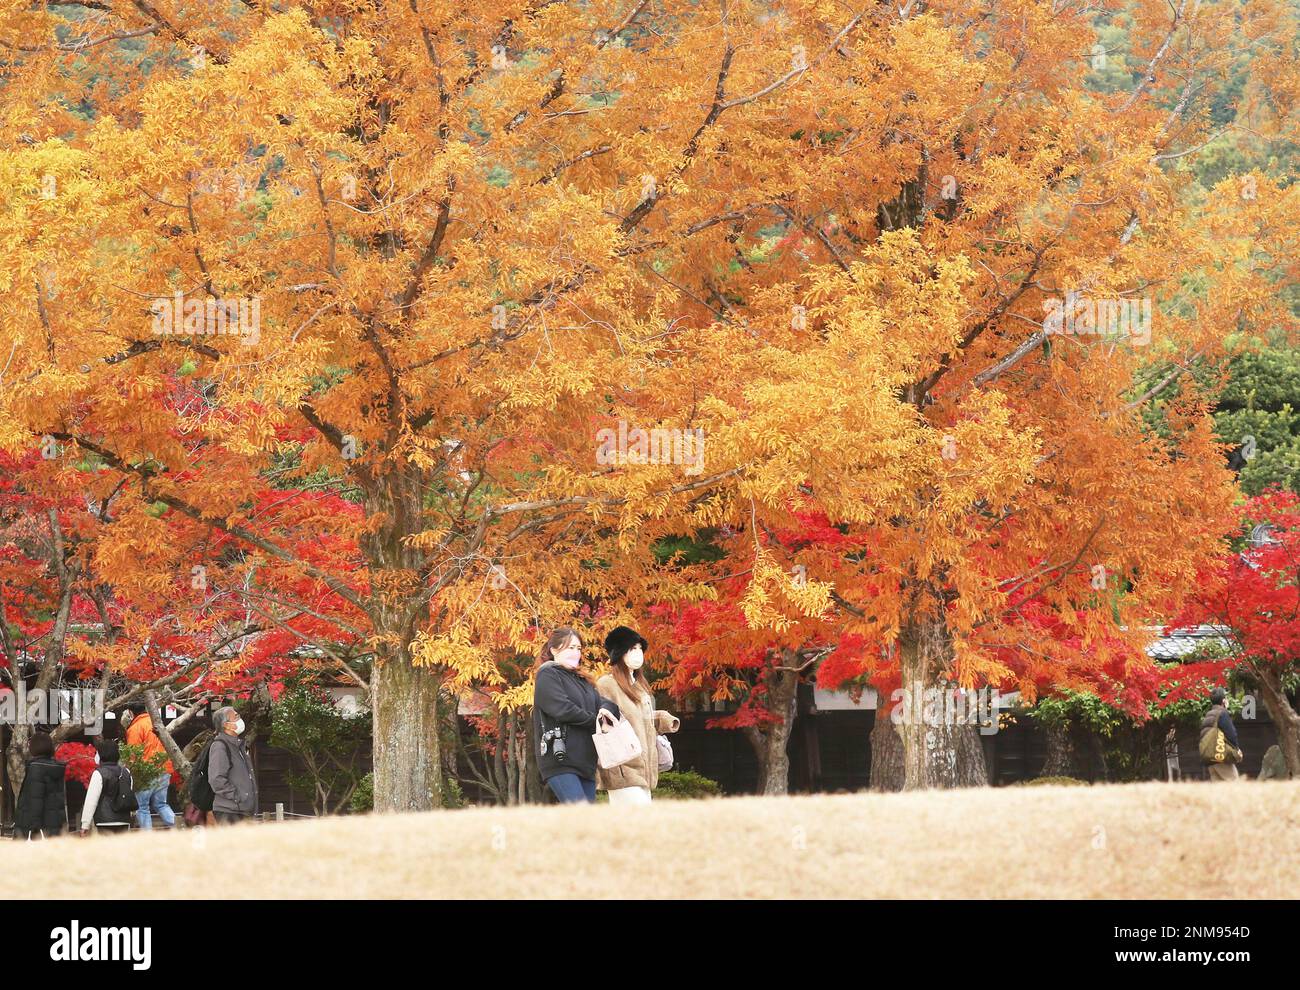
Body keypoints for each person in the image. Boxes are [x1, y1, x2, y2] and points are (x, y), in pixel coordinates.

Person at [532, 627, 620, 804]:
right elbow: (563, 709)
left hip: (586, 760)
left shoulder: (581, 680)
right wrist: (596, 721)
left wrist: (605, 711)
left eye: (578, 648)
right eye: (570, 647)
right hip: (561, 759)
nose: (575, 653)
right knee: (581, 813)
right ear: (554, 650)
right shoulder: (547, 674)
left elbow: (605, 703)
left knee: (585, 822)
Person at [595, 626, 681, 805]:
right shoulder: (606, 684)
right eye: (632, 648)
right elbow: (606, 724)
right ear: (619, 653)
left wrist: (662, 719)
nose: (638, 653)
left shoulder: (640, 686)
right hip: (623, 771)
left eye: (640, 648)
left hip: (644, 770)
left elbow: (639, 719)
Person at [120, 704, 176, 829]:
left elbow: (133, 755)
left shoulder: (135, 728)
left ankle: (148, 838)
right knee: (161, 804)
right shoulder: (156, 724)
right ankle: (179, 828)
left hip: (145, 772)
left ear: (130, 712)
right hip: (164, 769)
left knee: (142, 807)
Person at [208, 706, 258, 823]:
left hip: (242, 810)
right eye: (236, 717)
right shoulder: (220, 746)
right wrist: (238, 797)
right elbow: (216, 779)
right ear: (226, 725)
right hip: (230, 810)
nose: (240, 719)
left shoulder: (238, 745)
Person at [13, 732, 66, 840]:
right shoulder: (56, 767)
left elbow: (35, 800)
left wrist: (34, 829)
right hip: (55, 825)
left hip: (37, 829)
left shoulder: (36, 768)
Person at [78, 739, 133, 836]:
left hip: (104, 821)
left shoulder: (99, 773)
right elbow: (128, 796)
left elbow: (91, 800)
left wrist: (85, 824)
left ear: (101, 754)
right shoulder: (126, 772)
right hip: (124, 820)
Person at [1200, 687, 1242, 782]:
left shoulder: (1208, 714)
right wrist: (1237, 749)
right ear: (1224, 700)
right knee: (1234, 782)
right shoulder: (1222, 713)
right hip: (1220, 756)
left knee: (1218, 789)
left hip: (1210, 758)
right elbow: (1231, 734)